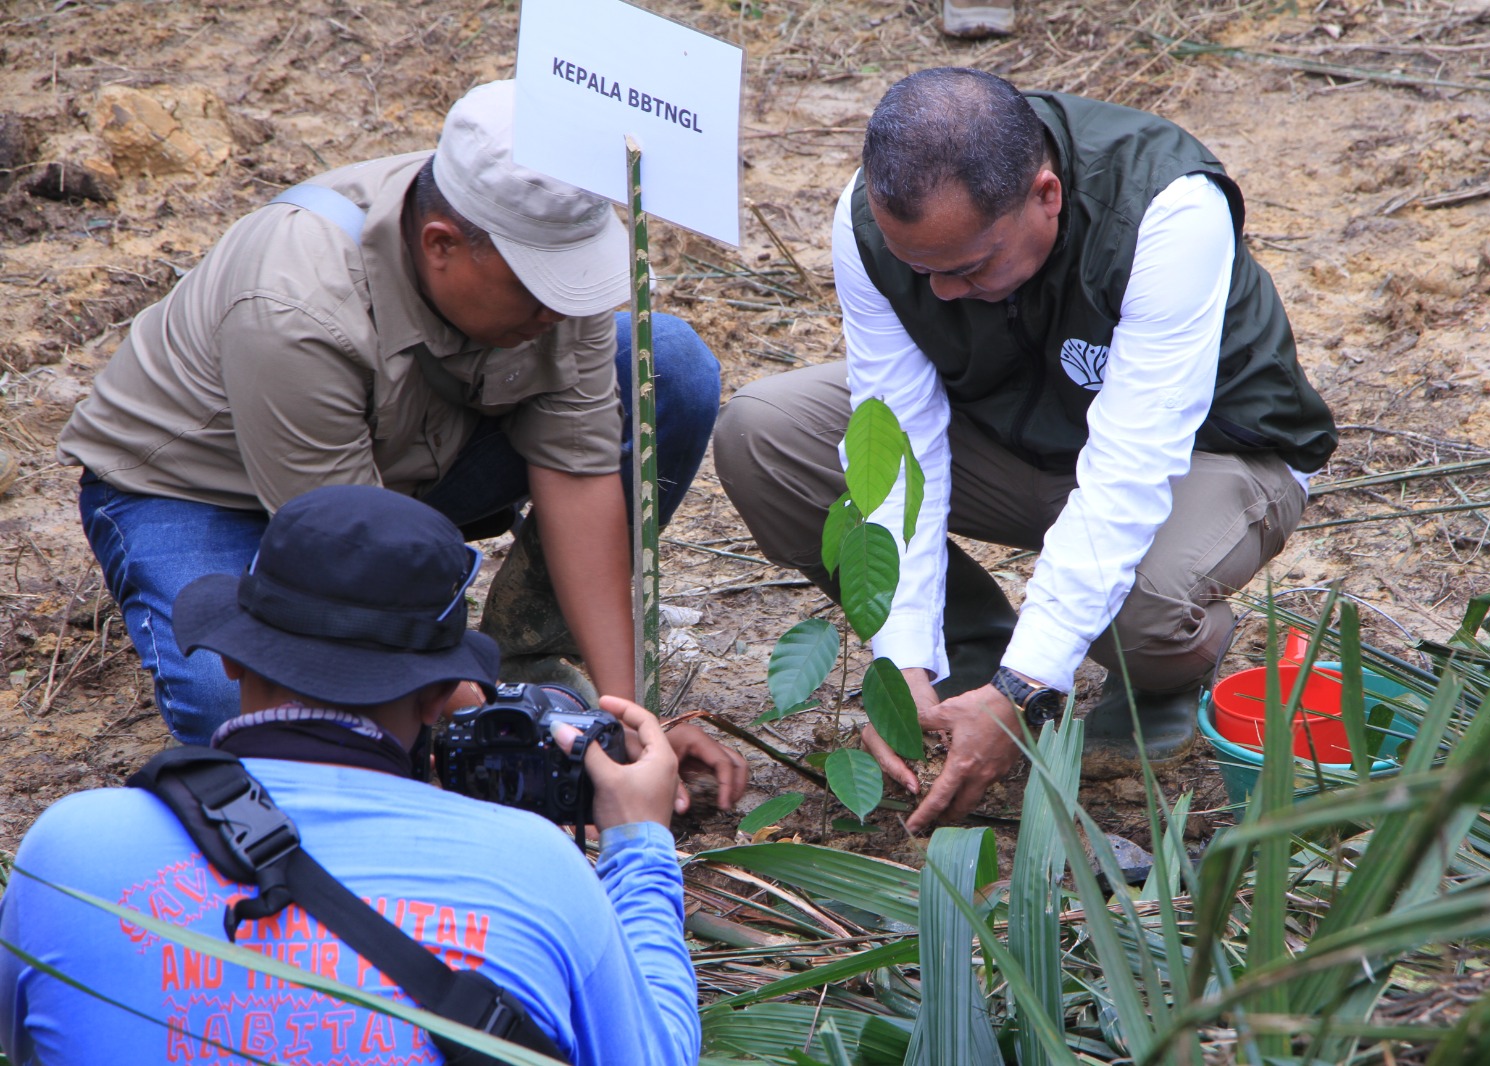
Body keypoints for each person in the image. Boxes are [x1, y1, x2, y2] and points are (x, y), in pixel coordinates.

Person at [57, 79, 744, 800]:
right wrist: (506, 727)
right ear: (440, 245)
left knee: (664, 367)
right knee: (249, 709)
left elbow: (577, 470)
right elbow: (353, 561)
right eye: (540, 290)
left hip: (399, 464)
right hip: (200, 492)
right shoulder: (294, 305)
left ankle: (529, 655)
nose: (559, 309)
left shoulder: (541, 252)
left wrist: (629, 723)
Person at [714, 68, 1337, 833]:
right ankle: (965, 661)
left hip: (1209, 454)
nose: (942, 294)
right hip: (1017, 440)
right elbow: (896, 435)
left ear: (1047, 195)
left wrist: (1025, 688)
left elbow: (1129, 474)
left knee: (1141, 605)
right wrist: (903, 659)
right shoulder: (876, 222)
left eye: (969, 267)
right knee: (765, 434)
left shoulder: (1167, 210)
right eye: (920, 271)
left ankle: (1159, 678)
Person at [0, 484, 700, 1064]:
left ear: (233, 656)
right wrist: (639, 842)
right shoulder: (539, 867)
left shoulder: (70, 846)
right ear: (441, 695)